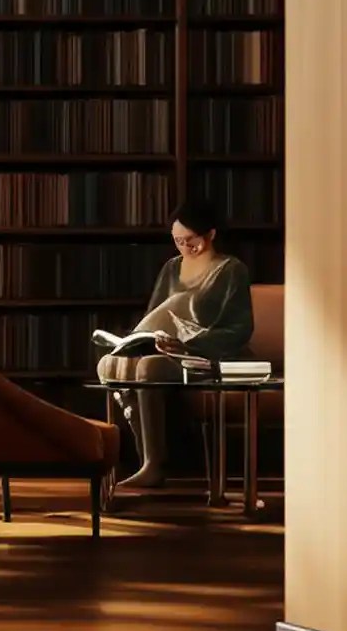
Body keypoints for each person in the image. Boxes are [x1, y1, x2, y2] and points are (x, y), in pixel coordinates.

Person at [95, 199, 254, 488]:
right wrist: (149, 341)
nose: (184, 247)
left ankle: (154, 463)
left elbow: (240, 329)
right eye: (178, 241)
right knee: (110, 364)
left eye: (191, 240)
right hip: (168, 349)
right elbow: (155, 316)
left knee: (149, 370)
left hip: (207, 352)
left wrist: (190, 343)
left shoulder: (231, 270)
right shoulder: (171, 268)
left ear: (211, 234)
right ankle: (138, 459)